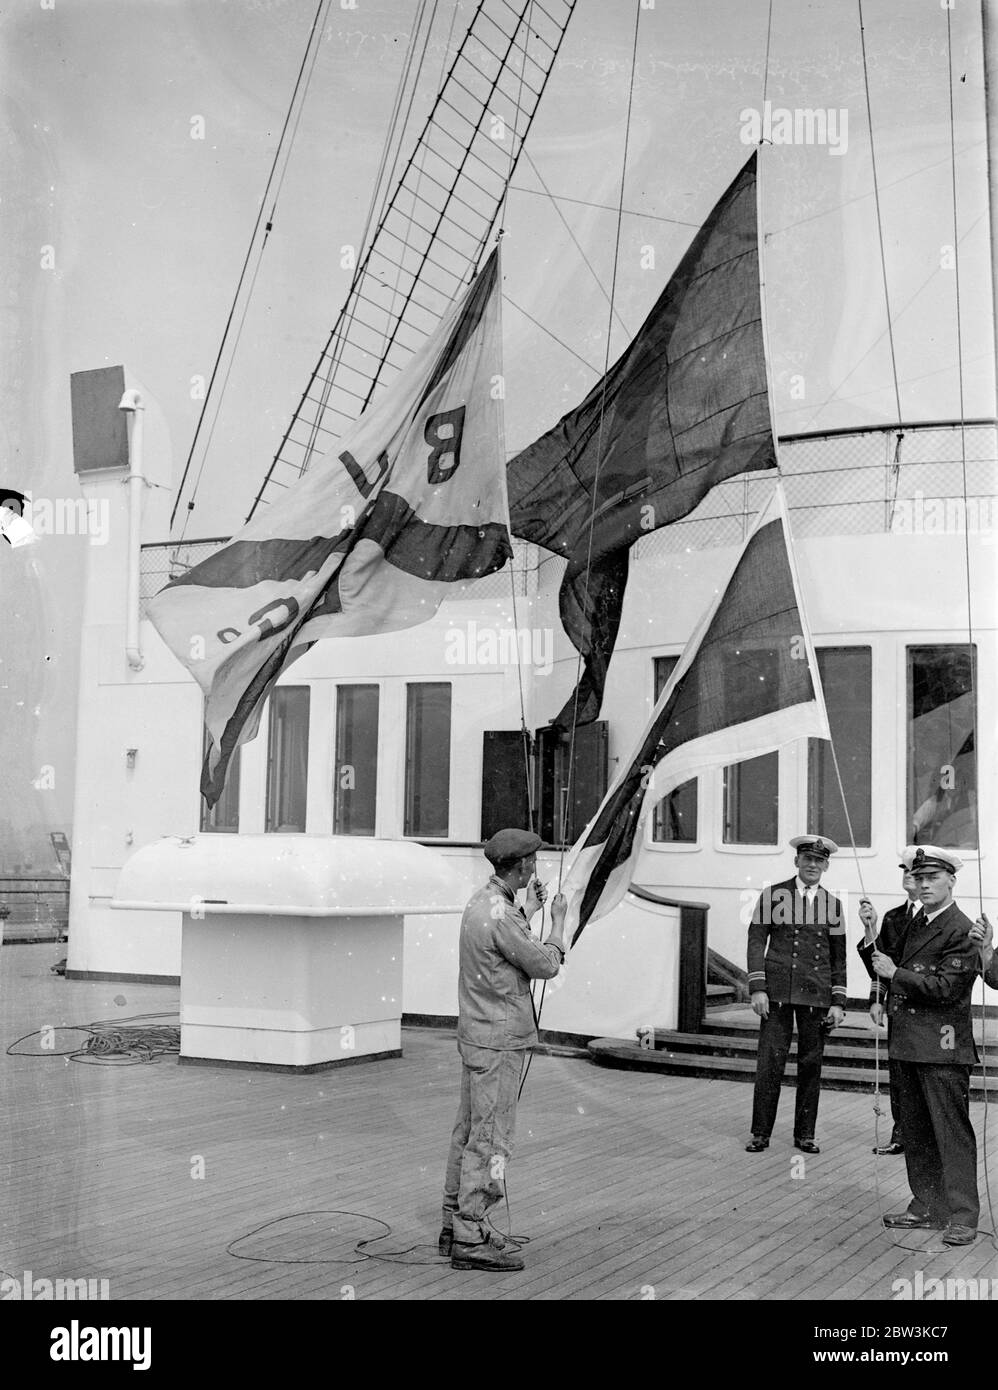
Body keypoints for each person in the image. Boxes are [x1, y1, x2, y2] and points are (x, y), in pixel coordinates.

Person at [440, 828, 568, 1273]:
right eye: (533, 861)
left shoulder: (483, 902)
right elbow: (545, 964)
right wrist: (558, 922)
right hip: (499, 1041)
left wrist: (526, 910)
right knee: (492, 1138)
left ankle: (452, 1225)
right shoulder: (503, 915)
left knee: (468, 1132)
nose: (536, 866)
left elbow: (504, 944)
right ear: (524, 866)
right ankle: (470, 1234)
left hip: (477, 1036)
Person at [868, 846, 980, 1245]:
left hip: (942, 1049)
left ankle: (964, 1215)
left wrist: (895, 974)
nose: (923, 884)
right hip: (907, 1046)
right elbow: (885, 964)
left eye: (932, 877)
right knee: (915, 1132)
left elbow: (947, 990)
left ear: (952, 880)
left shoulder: (961, 929)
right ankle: (928, 1206)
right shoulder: (916, 922)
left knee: (950, 1135)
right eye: (919, 878)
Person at [745, 834, 847, 1154]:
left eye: (819, 860)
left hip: (815, 997)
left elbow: (838, 957)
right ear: (797, 862)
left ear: (826, 865)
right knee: (769, 1064)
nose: (812, 865)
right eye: (807, 859)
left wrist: (839, 1001)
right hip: (776, 993)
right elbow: (755, 942)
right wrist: (757, 988)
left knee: (810, 1066)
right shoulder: (774, 896)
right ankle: (760, 1133)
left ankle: (805, 1134)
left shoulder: (834, 905)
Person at [856, 849, 921, 1156]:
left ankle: (923, 1137)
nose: (909, 875)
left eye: (916, 871)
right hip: (897, 1008)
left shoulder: (935, 916)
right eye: (905, 871)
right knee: (898, 1074)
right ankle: (901, 1134)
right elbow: (880, 963)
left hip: (925, 1010)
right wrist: (876, 999)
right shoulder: (894, 917)